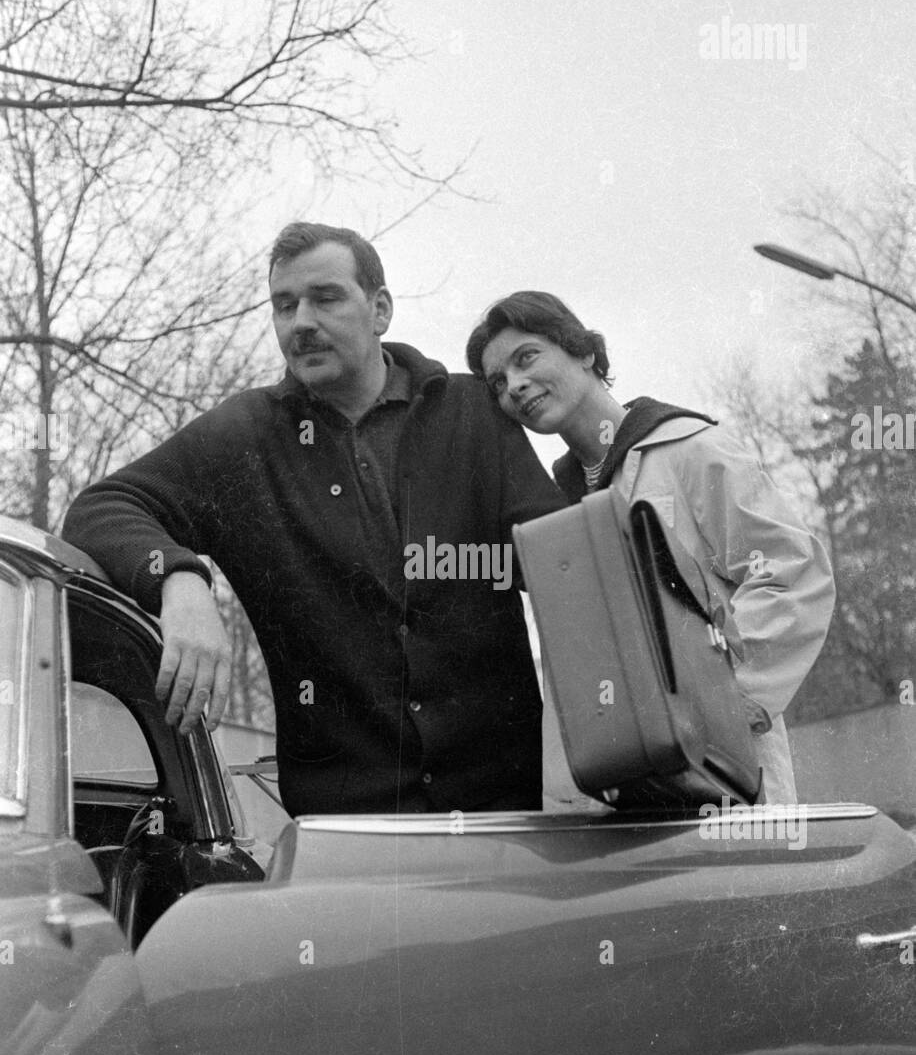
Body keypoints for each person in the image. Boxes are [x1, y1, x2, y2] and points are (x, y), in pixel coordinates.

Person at [62, 226, 567, 816]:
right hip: (342, 834)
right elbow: (102, 506)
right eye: (284, 305)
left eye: (325, 298)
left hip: (501, 817)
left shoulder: (473, 412)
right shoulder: (245, 437)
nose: (301, 321)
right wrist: (179, 581)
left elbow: (564, 564)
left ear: (379, 310)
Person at [465, 290, 836, 803]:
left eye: (525, 358)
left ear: (582, 350)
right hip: (614, 791)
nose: (515, 387)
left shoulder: (688, 447)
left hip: (723, 780)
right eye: (498, 383)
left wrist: (728, 705)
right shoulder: (552, 511)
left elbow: (792, 571)